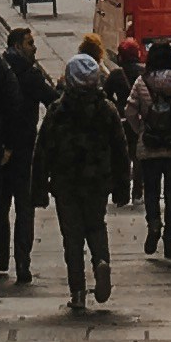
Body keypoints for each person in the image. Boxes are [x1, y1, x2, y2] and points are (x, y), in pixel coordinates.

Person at [35, 51, 131, 315]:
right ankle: (101, 260)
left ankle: (77, 291)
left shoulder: (58, 110)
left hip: (66, 182)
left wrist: (39, 189)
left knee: (72, 236)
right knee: (96, 226)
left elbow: (42, 150)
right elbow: (121, 149)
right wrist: (123, 186)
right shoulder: (107, 110)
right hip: (98, 180)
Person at [127, 41, 171, 258]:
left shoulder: (142, 81)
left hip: (149, 145)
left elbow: (130, 110)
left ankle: (154, 225)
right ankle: (170, 238)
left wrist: (140, 129)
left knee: (151, 190)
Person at [0, 26, 51, 288]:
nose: (35, 47)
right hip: (22, 151)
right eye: (30, 43)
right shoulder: (30, 75)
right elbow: (52, 100)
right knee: (24, 208)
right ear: (19, 45)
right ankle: (22, 262)